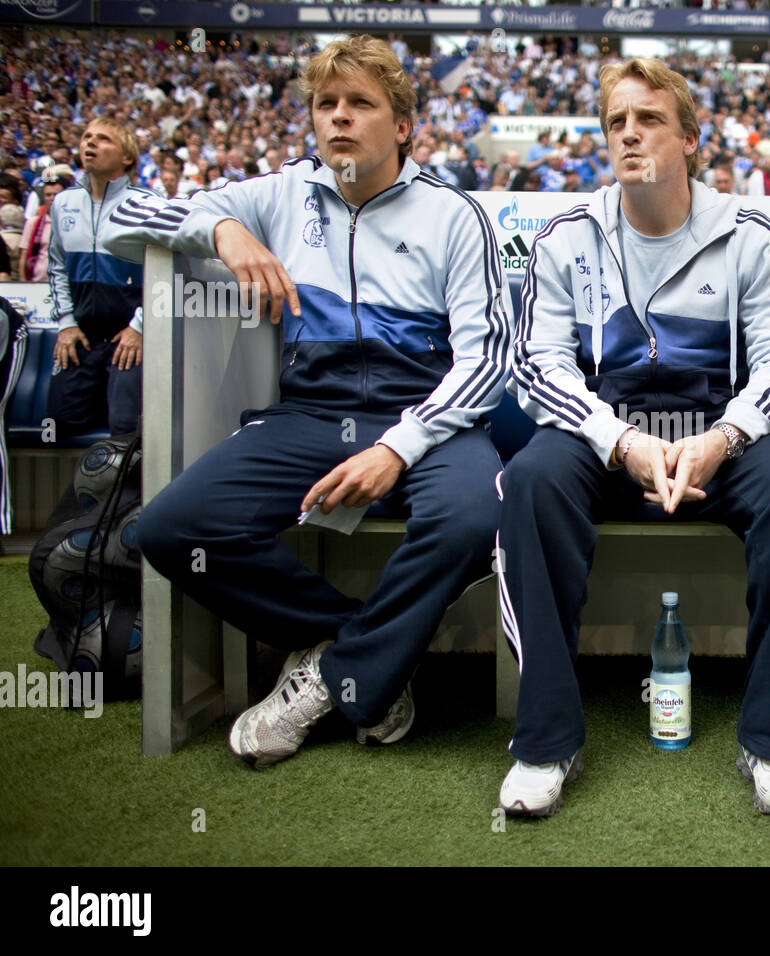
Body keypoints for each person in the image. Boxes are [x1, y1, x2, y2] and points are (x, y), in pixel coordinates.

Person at [101, 35, 509, 767]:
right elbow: (119, 222)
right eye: (327, 104)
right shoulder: (276, 195)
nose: (340, 119)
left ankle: (335, 676)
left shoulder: (455, 214)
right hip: (310, 414)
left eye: (362, 104)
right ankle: (359, 653)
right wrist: (221, 228)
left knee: (477, 514)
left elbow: (485, 366)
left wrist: (396, 447)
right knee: (170, 529)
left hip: (431, 420)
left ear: (404, 124)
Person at [497, 58, 770, 818]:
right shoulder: (564, 235)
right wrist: (620, 441)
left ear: (690, 139)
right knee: (528, 480)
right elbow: (536, 365)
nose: (629, 133)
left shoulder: (751, 233)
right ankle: (547, 739)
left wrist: (722, 438)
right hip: (607, 431)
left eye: (648, 119)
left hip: (717, 431)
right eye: (616, 120)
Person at [47, 118, 152, 437]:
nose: (90, 143)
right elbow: (56, 267)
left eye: (103, 139)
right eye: (86, 136)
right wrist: (65, 322)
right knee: (55, 425)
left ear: (127, 158)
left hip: (128, 336)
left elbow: (166, 274)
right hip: (80, 335)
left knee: (124, 428)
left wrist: (140, 327)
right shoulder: (63, 203)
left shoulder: (147, 204)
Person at [19, 164, 75, 282]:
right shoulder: (33, 223)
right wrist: (23, 282)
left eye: (56, 194)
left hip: (66, 283)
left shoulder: (76, 223)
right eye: (48, 195)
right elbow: (24, 256)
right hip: (36, 282)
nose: (52, 198)